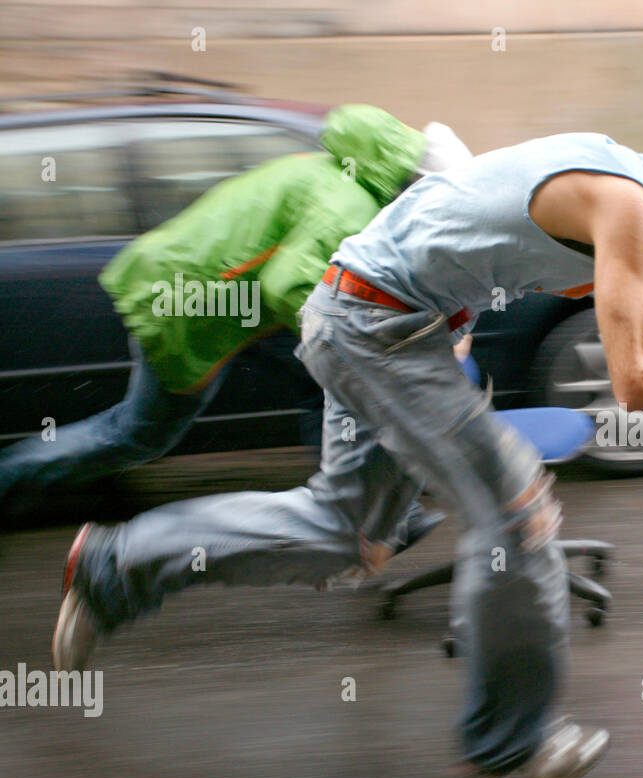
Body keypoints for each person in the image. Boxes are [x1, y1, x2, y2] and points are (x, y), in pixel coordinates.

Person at [51, 134, 643, 778]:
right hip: (379, 328)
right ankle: (509, 744)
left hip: (380, 323)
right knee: (516, 509)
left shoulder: (626, 194)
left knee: (344, 532)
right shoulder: (631, 209)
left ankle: (114, 567)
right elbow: (636, 380)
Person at [0, 106, 466, 534]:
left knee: (328, 388)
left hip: (220, 292)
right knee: (137, 435)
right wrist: (363, 339)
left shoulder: (340, 175)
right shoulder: (350, 208)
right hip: (194, 302)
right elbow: (289, 286)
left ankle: (375, 516)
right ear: (414, 187)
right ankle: (8, 477)